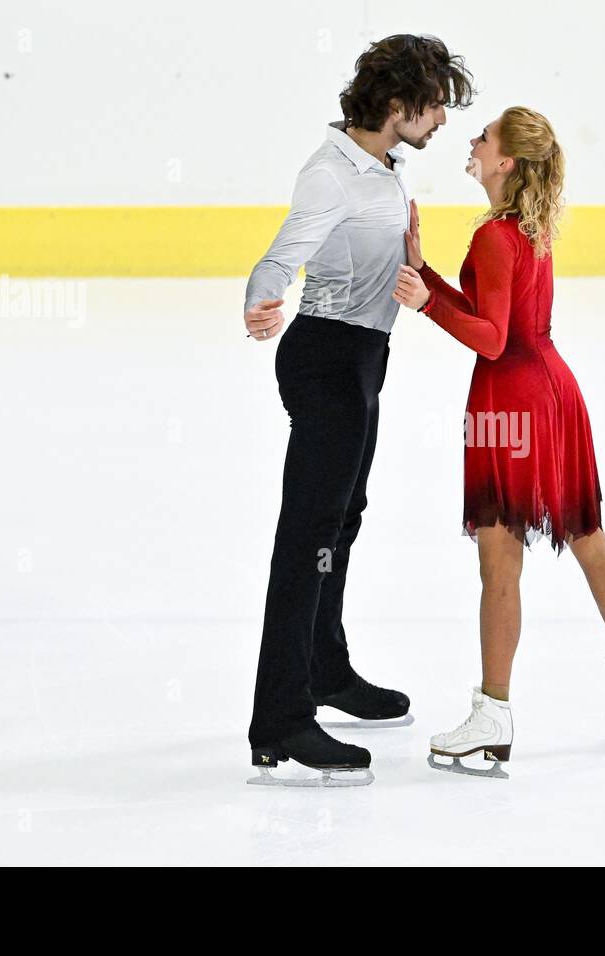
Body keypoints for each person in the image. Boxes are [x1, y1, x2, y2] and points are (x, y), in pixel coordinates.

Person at [392, 106, 605, 779]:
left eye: (484, 138)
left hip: (509, 401)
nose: (473, 142)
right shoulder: (527, 227)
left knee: (500, 563)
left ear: (506, 160)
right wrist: (425, 274)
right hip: (554, 393)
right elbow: (499, 315)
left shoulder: (495, 237)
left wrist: (425, 303)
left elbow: (491, 337)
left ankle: (492, 718)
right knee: (588, 536)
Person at [242, 35, 475, 787]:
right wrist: (261, 296)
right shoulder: (329, 175)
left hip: (362, 359)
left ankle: (325, 669)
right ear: (396, 104)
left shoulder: (382, 166)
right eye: (433, 102)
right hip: (325, 361)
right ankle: (279, 719)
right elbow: (281, 256)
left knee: (342, 522)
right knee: (306, 535)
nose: (442, 118)